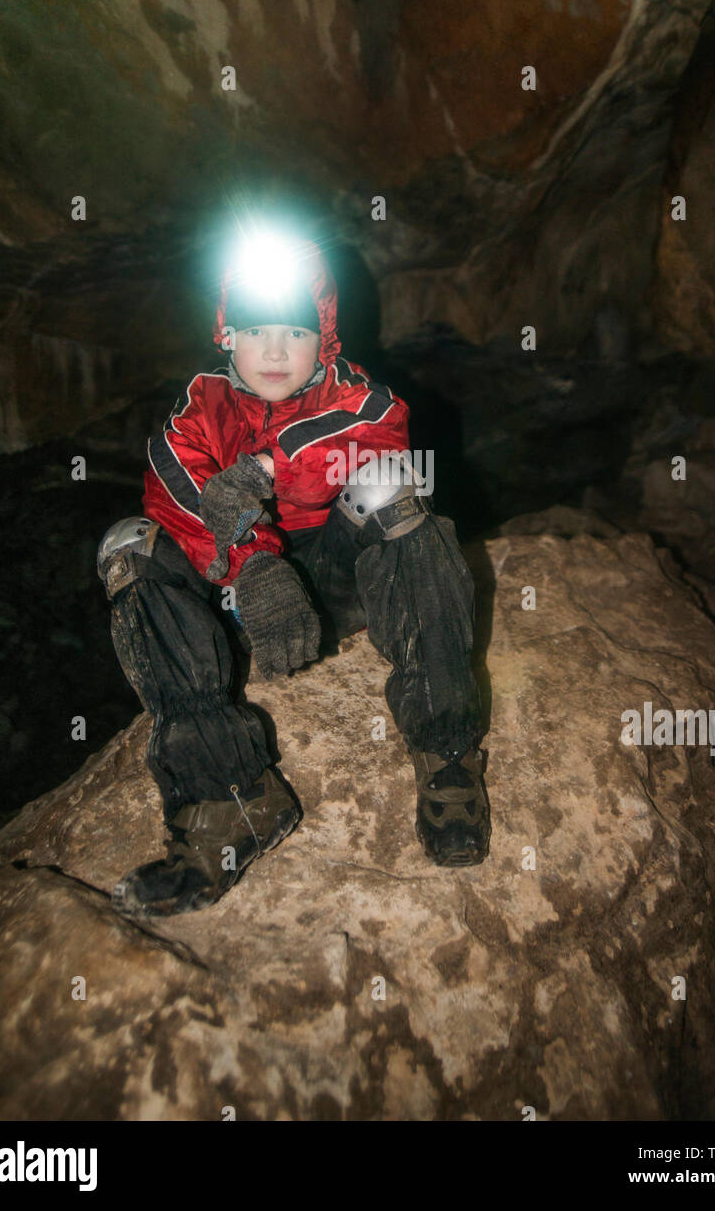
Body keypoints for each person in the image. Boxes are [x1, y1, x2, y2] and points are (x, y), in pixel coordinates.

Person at [96, 233, 489, 919]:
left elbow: (372, 444)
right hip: (241, 601)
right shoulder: (202, 404)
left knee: (390, 491)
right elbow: (170, 484)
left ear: (325, 338)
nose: (274, 351)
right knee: (129, 550)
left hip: (339, 587)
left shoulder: (356, 394)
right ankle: (232, 800)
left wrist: (269, 472)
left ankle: (445, 751)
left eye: (294, 332)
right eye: (255, 331)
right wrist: (253, 562)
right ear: (226, 335)